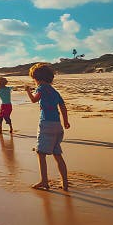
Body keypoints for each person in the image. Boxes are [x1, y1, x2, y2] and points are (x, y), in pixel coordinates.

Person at [25, 63, 71, 191]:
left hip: (46, 124)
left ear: (37, 78)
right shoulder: (54, 91)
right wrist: (65, 121)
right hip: (57, 125)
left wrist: (28, 91)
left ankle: (44, 181)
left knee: (40, 153)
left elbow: (34, 100)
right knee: (57, 154)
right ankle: (65, 182)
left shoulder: (41, 88)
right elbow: (62, 106)